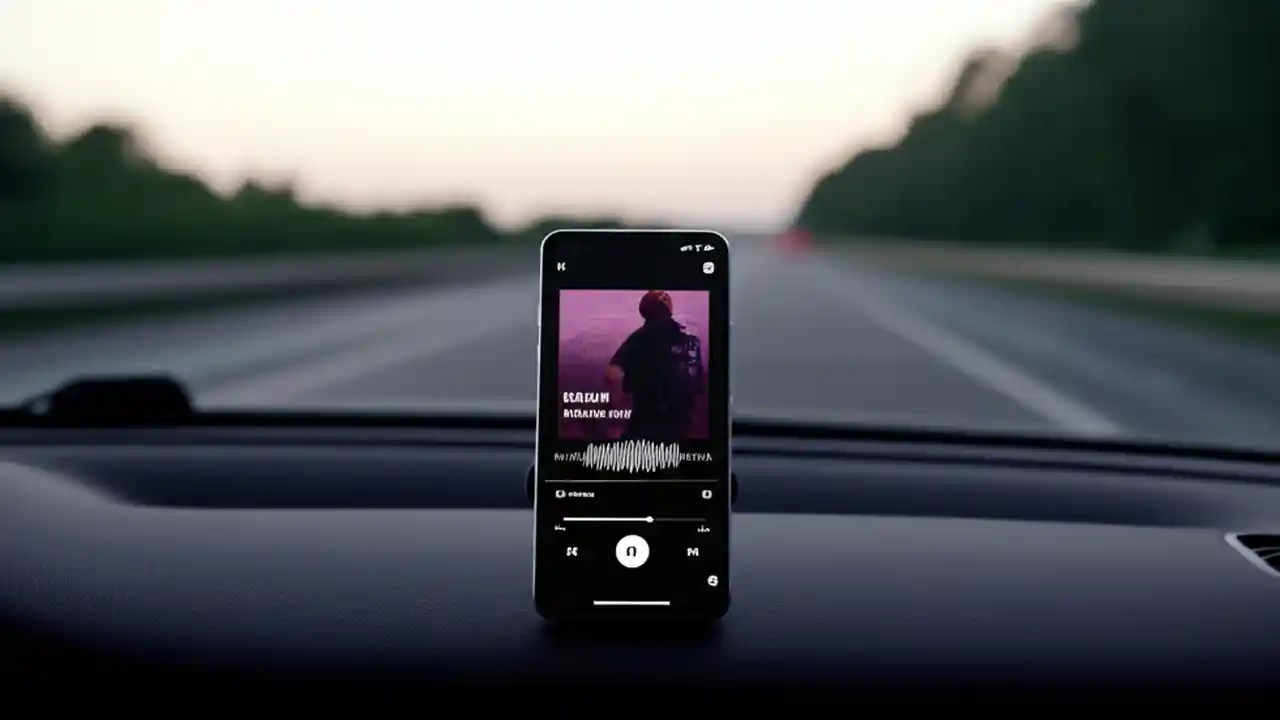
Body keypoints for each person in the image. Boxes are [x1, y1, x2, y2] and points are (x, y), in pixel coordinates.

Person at [604, 290, 704, 442]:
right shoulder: (691, 341)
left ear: (645, 311)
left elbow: (612, 374)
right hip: (681, 421)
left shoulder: (638, 340)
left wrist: (618, 407)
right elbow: (695, 383)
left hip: (646, 418)